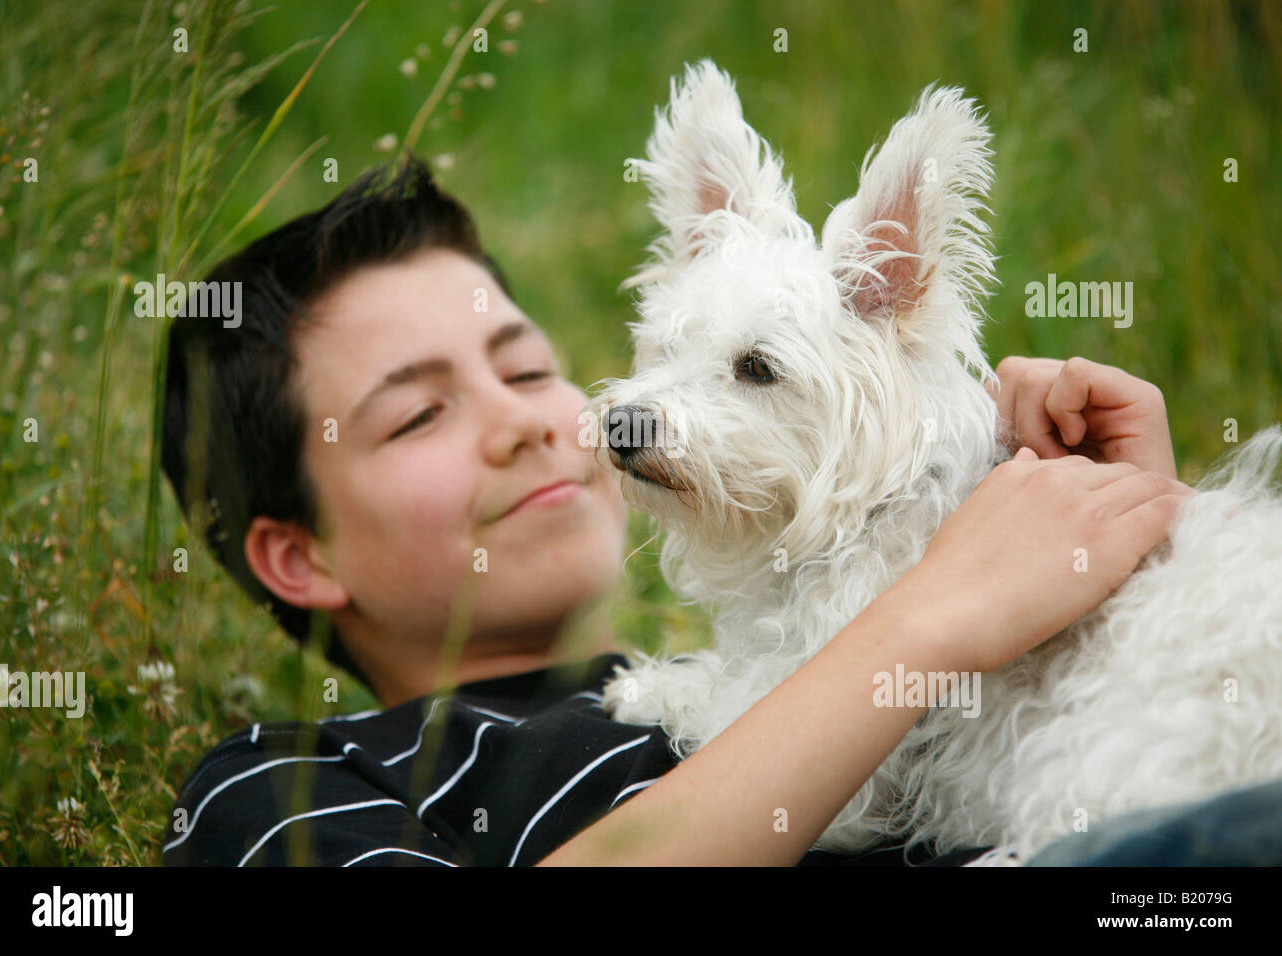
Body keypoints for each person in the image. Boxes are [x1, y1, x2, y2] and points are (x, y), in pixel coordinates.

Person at [159, 154, 1191, 866]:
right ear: (299, 557)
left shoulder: (758, 660)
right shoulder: (291, 779)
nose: (520, 424)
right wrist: (934, 617)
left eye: (525, 367)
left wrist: (1144, 562)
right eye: (421, 412)